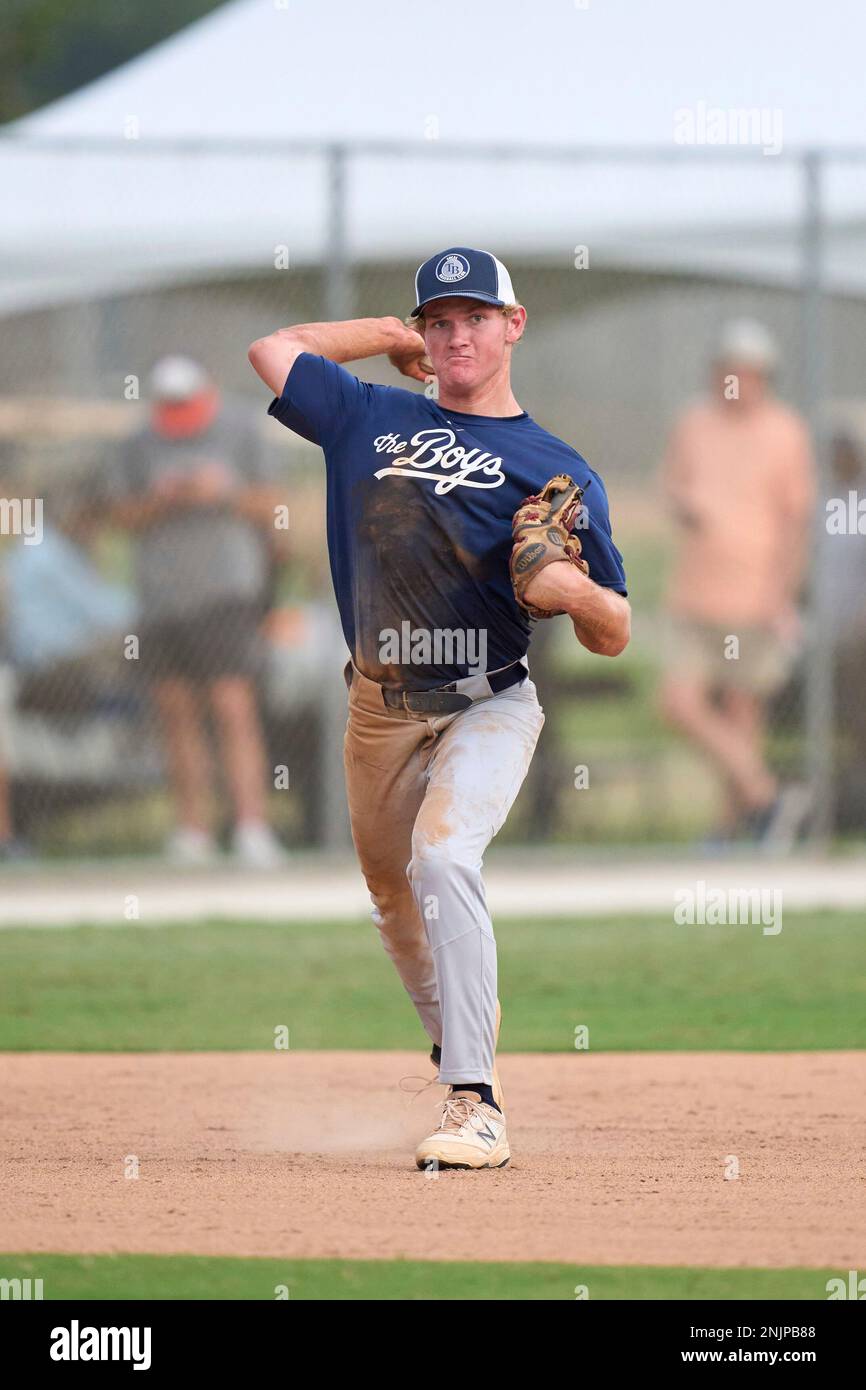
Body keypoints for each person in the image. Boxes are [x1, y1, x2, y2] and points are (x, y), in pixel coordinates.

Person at [249, 246, 630, 1169]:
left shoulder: (552, 464)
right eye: (439, 320)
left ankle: (475, 1101)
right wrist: (384, 336)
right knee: (394, 903)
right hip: (376, 711)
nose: (459, 334)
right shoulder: (366, 415)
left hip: (487, 702)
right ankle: (457, 1036)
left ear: (515, 324)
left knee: (443, 855)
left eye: (477, 317)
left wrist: (568, 590)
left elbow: (613, 629)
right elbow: (274, 346)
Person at [104, 355, 287, 867]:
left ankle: (252, 828)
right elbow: (119, 515)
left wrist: (221, 491)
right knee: (176, 713)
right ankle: (192, 832)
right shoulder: (138, 443)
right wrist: (160, 499)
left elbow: (274, 505)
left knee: (232, 706)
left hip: (227, 592)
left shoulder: (240, 429)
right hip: (161, 598)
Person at [660, 320, 815, 845]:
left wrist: (781, 594)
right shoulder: (694, 423)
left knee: (742, 713)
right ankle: (767, 795)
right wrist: (690, 507)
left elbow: (795, 523)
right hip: (696, 594)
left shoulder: (785, 432)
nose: (734, 381)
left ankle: (733, 828)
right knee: (680, 701)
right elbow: (676, 488)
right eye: (726, 370)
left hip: (755, 598)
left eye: (744, 373)